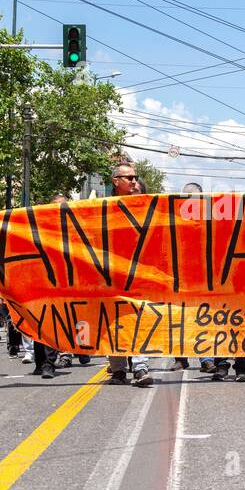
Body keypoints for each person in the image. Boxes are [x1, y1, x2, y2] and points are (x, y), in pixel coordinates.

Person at [105, 162, 153, 386]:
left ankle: (140, 367)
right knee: (114, 321)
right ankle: (118, 370)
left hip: (139, 273)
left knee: (138, 319)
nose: (135, 181)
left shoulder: (146, 206)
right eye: (130, 178)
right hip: (111, 275)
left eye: (136, 178)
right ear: (116, 181)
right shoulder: (101, 207)